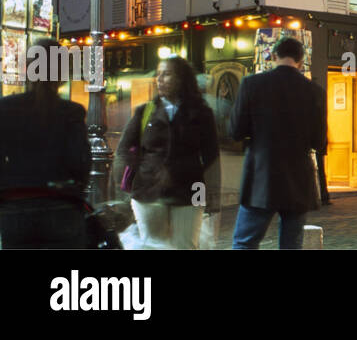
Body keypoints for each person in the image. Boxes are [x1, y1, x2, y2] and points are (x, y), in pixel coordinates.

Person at [229, 36, 327, 250]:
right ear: (301, 61)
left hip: (261, 176)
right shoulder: (315, 92)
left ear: (273, 56)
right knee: (291, 245)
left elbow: (236, 131)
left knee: (245, 242)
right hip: (298, 178)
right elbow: (319, 141)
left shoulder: (251, 85)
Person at [114, 56, 221, 249]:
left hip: (192, 190)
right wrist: (142, 172)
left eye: (167, 74)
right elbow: (123, 149)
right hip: (148, 191)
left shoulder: (202, 113)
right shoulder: (145, 111)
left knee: (185, 245)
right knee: (152, 245)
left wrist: (212, 196)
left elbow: (212, 156)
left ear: (181, 79)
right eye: (159, 74)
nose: (160, 79)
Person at [0, 38, 91, 248]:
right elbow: (80, 161)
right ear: (62, 74)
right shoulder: (71, 111)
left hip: (15, 206)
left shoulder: (5, 108)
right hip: (61, 205)